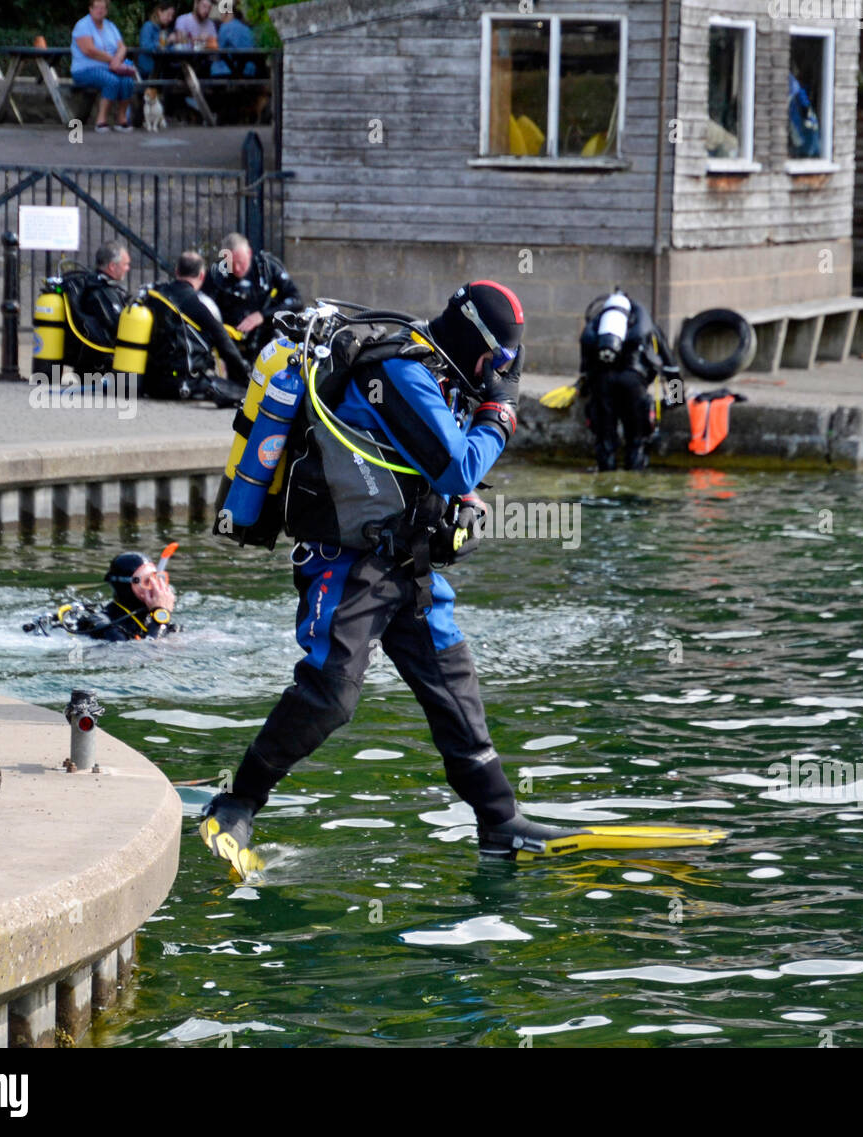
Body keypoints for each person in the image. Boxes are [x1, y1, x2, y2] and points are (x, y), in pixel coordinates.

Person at [199, 281, 566, 874]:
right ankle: (236, 803)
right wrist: (501, 411)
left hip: (407, 562)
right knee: (330, 695)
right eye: (496, 359)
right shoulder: (399, 370)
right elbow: (452, 463)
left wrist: (466, 504)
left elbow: (432, 462)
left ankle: (500, 821)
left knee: (454, 686)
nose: (497, 372)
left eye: (506, 366)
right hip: (346, 564)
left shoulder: (436, 368)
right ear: (474, 341)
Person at [577, 289, 678, 471]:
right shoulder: (644, 326)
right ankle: (634, 478)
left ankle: (605, 478)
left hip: (602, 382)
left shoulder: (596, 328)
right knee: (636, 440)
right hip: (634, 382)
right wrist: (677, 397)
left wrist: (584, 391)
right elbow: (670, 366)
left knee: (605, 441)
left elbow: (585, 369)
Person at [140, 250, 248, 404]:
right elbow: (224, 344)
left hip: (152, 384)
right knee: (240, 393)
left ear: (176, 271)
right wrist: (244, 377)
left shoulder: (156, 296)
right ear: (202, 276)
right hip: (185, 384)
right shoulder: (196, 304)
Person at [24, 550, 178, 641]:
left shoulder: (148, 618)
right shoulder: (105, 625)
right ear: (126, 585)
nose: (157, 586)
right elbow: (149, 655)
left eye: (158, 578)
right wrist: (161, 616)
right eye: (147, 581)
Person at [201, 233, 302, 361]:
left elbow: (296, 301)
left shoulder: (267, 268)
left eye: (240, 263)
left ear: (248, 253)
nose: (237, 268)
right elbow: (202, 307)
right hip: (229, 347)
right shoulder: (217, 274)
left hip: (266, 342)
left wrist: (262, 315)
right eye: (231, 264)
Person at [71, 0, 137, 134]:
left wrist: (118, 58)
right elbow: (89, 50)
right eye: (96, 7)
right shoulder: (82, 25)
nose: (100, 11)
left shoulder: (110, 26)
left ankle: (122, 119)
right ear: (90, 9)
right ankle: (101, 120)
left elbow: (122, 47)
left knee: (127, 81)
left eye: (103, 8)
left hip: (111, 67)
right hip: (85, 69)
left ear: (106, 10)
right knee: (111, 81)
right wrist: (113, 59)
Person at [211, 2, 256, 78]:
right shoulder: (247, 28)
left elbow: (220, 50)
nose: (221, 18)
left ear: (229, 14)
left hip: (228, 70)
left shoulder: (225, 27)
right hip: (249, 70)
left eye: (222, 14)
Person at [137, 3, 176, 78]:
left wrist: (175, 44)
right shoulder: (148, 26)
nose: (170, 18)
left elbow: (169, 50)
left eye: (172, 16)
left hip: (163, 68)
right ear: (159, 12)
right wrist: (166, 41)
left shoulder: (166, 30)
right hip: (149, 69)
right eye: (168, 14)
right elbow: (145, 47)